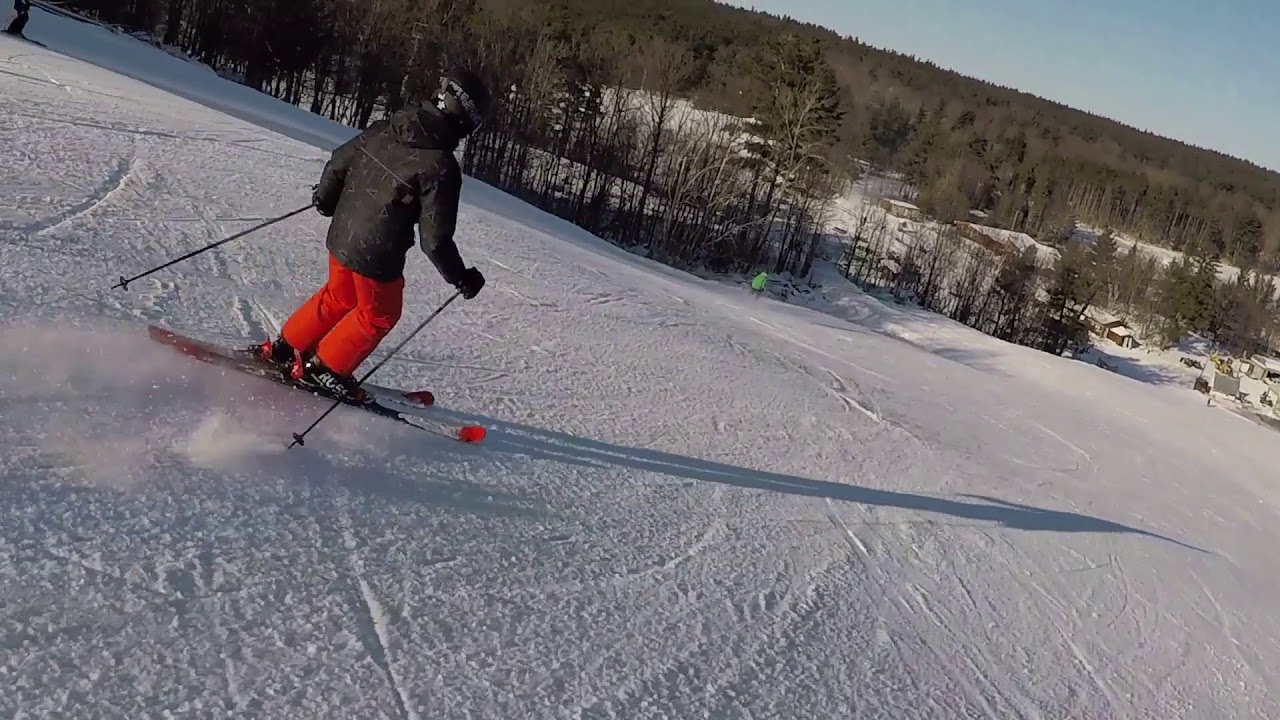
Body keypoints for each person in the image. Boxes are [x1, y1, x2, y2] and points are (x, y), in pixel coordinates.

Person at [255, 68, 492, 403]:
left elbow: (339, 161)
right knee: (378, 314)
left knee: (337, 297)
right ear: (465, 118)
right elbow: (434, 240)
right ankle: (325, 370)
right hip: (377, 255)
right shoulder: (440, 167)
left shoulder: (389, 126)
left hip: (341, 236)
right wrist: (461, 277)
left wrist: (325, 198)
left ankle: (284, 349)